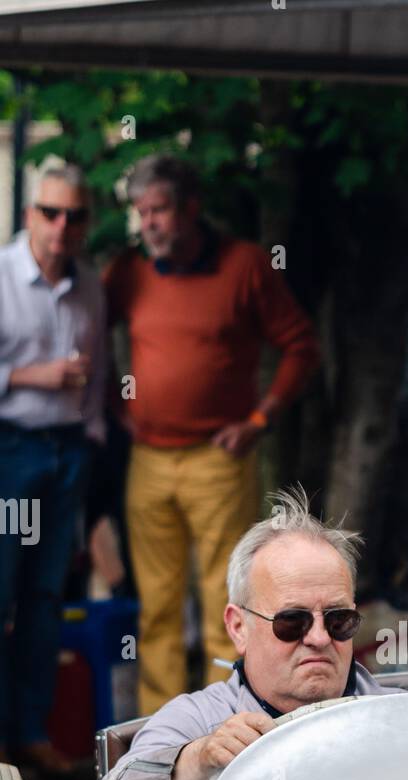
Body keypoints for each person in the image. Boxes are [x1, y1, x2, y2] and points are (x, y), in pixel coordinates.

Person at [93, 487, 403, 780]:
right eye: (291, 621)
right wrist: (196, 760)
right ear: (238, 627)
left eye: (338, 620)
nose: (318, 638)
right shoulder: (197, 718)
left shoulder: (401, 720)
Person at [104, 155, 320, 716]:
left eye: (161, 210)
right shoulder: (128, 271)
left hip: (218, 459)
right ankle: (158, 739)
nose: (150, 222)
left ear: (191, 209)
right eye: (142, 211)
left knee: (227, 604)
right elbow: (86, 328)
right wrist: (112, 403)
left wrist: (259, 420)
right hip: (148, 457)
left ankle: (225, 731)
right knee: (155, 606)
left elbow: (300, 344)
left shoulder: (245, 265)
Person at [0, 163, 107, 776]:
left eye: (74, 214)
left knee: (45, 599)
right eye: (50, 212)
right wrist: (27, 376)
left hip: (68, 453)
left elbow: (100, 374)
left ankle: (32, 734)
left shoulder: (90, 285)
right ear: (28, 216)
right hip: (11, 450)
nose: (62, 225)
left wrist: (90, 439)